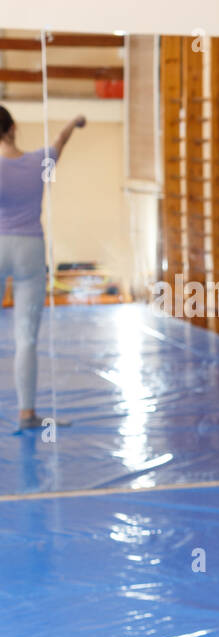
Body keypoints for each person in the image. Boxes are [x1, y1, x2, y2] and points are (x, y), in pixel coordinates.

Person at [0, 106, 83, 431]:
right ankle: (26, 413)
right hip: (29, 248)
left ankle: (27, 414)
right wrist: (74, 122)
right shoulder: (37, 161)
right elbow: (60, 141)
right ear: (14, 127)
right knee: (26, 339)